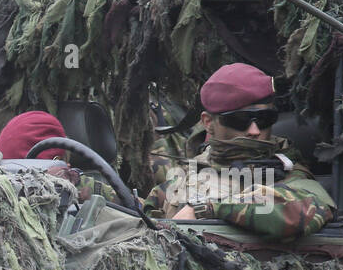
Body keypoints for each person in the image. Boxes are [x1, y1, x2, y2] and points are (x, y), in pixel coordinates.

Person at [142, 63, 333, 239]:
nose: (254, 131)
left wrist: (206, 209)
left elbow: (301, 211)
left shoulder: (289, 173)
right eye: (240, 120)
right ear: (208, 122)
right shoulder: (183, 178)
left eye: (264, 119)